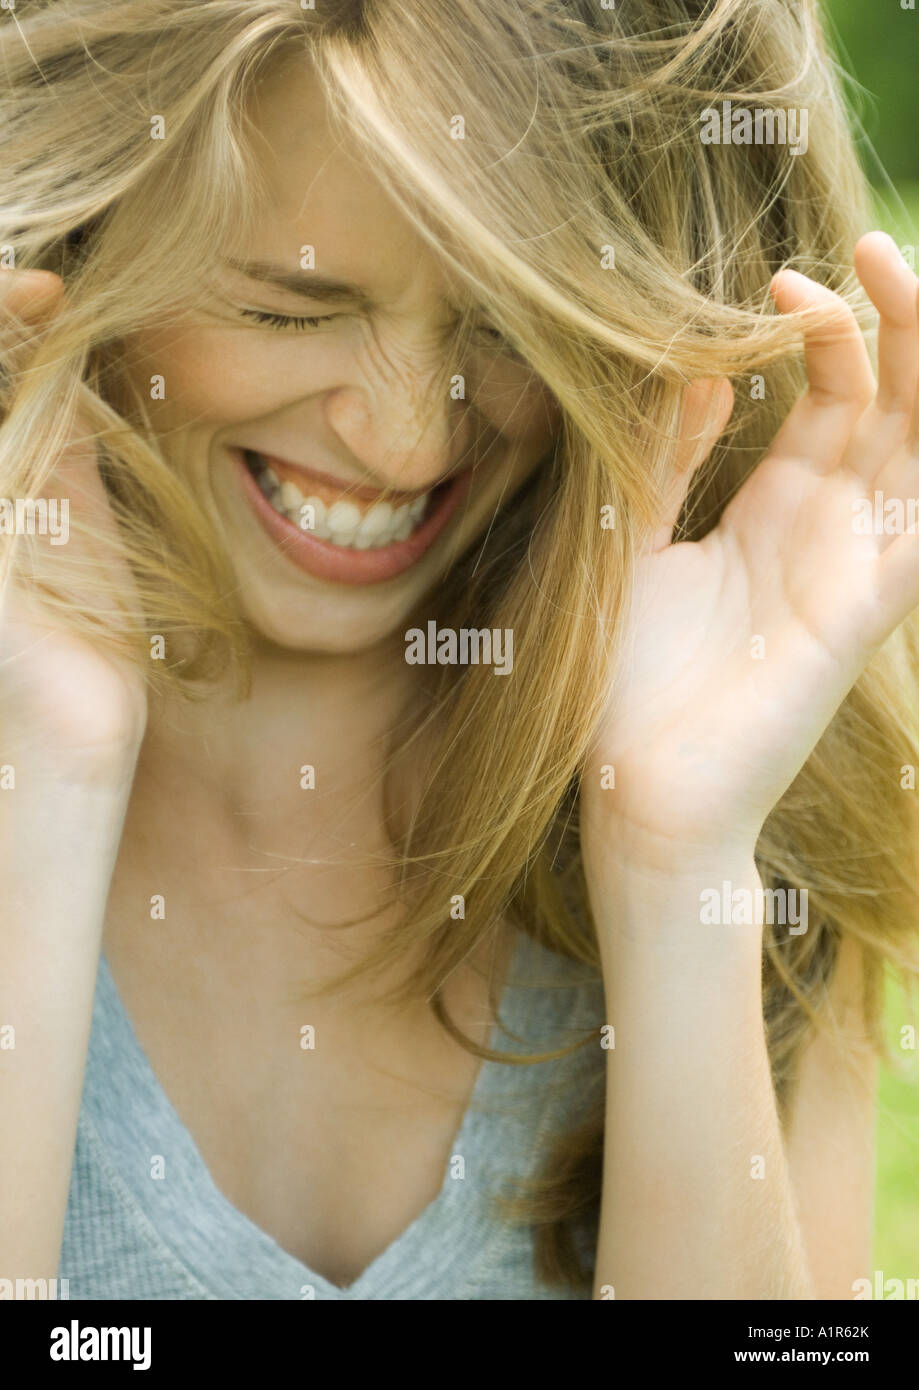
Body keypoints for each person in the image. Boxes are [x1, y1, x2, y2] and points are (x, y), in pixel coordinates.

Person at [1, 0, 917, 1301]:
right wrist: (43, 776)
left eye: (504, 329)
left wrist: (673, 859)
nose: (401, 443)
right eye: (292, 309)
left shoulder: (770, 849)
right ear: (73, 260)